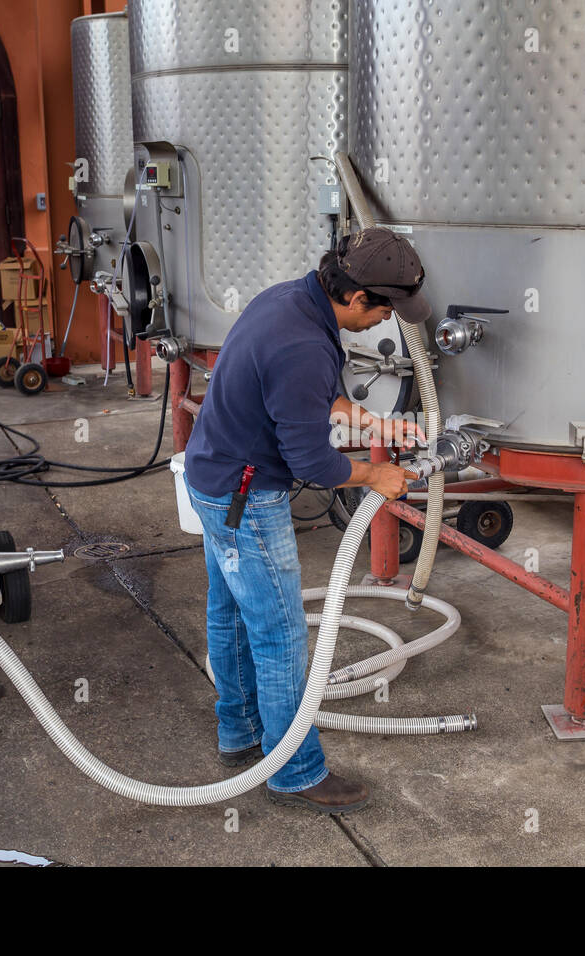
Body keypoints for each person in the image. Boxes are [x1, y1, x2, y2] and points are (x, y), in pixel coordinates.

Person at [183, 227, 430, 813]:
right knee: (282, 636)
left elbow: (319, 398)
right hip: (246, 499)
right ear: (357, 298)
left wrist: (378, 426)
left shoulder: (292, 301)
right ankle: (294, 770)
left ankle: (241, 733)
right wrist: (376, 476)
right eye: (386, 309)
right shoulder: (303, 344)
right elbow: (315, 464)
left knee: (231, 613)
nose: (385, 322)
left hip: (213, 481)